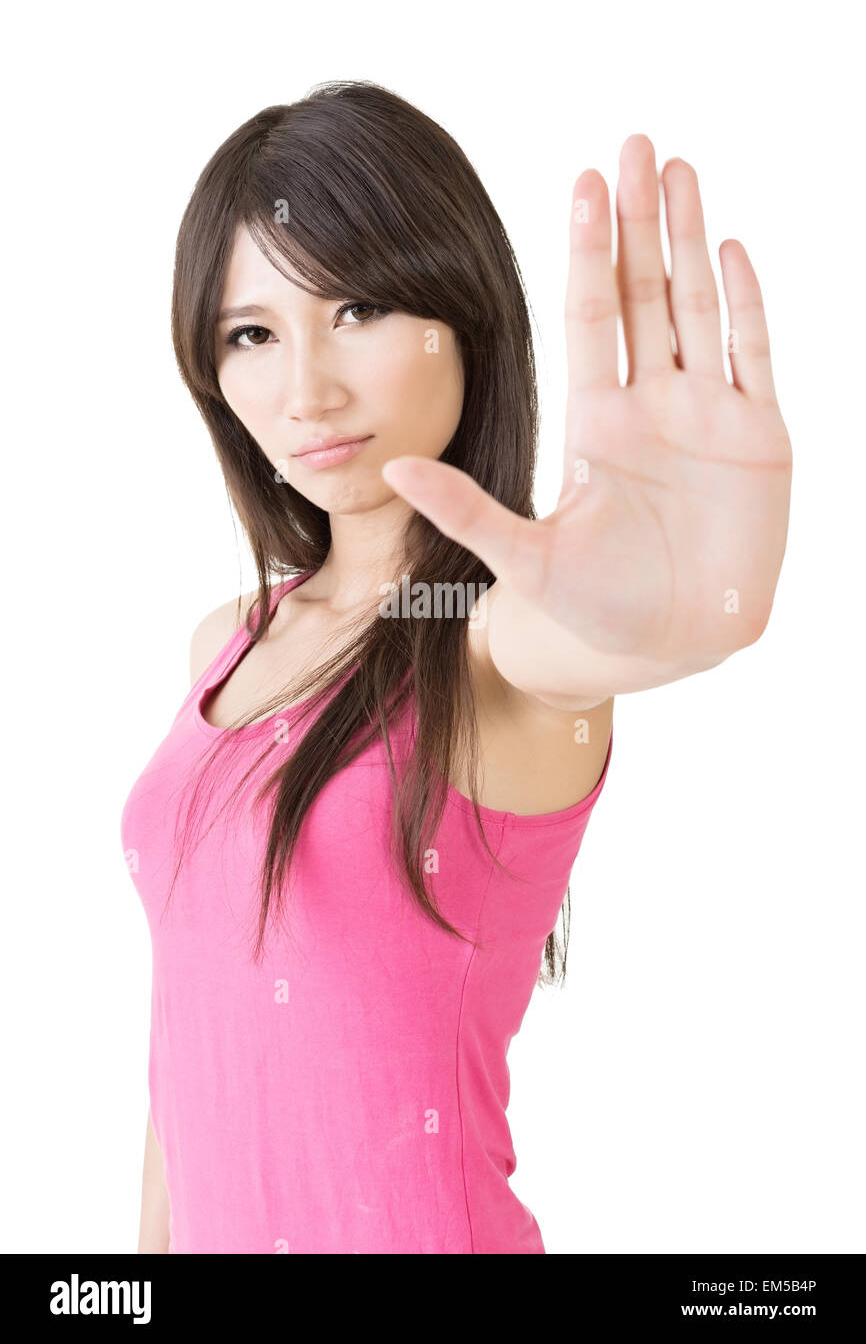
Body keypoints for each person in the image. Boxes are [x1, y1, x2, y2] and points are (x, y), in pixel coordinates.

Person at [121, 80, 792, 1255]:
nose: (306, 390)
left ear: (462, 312)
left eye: (361, 307)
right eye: (252, 333)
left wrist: (693, 604)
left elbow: (589, 645)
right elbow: (184, 1058)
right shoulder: (222, 643)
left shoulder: (496, 649)